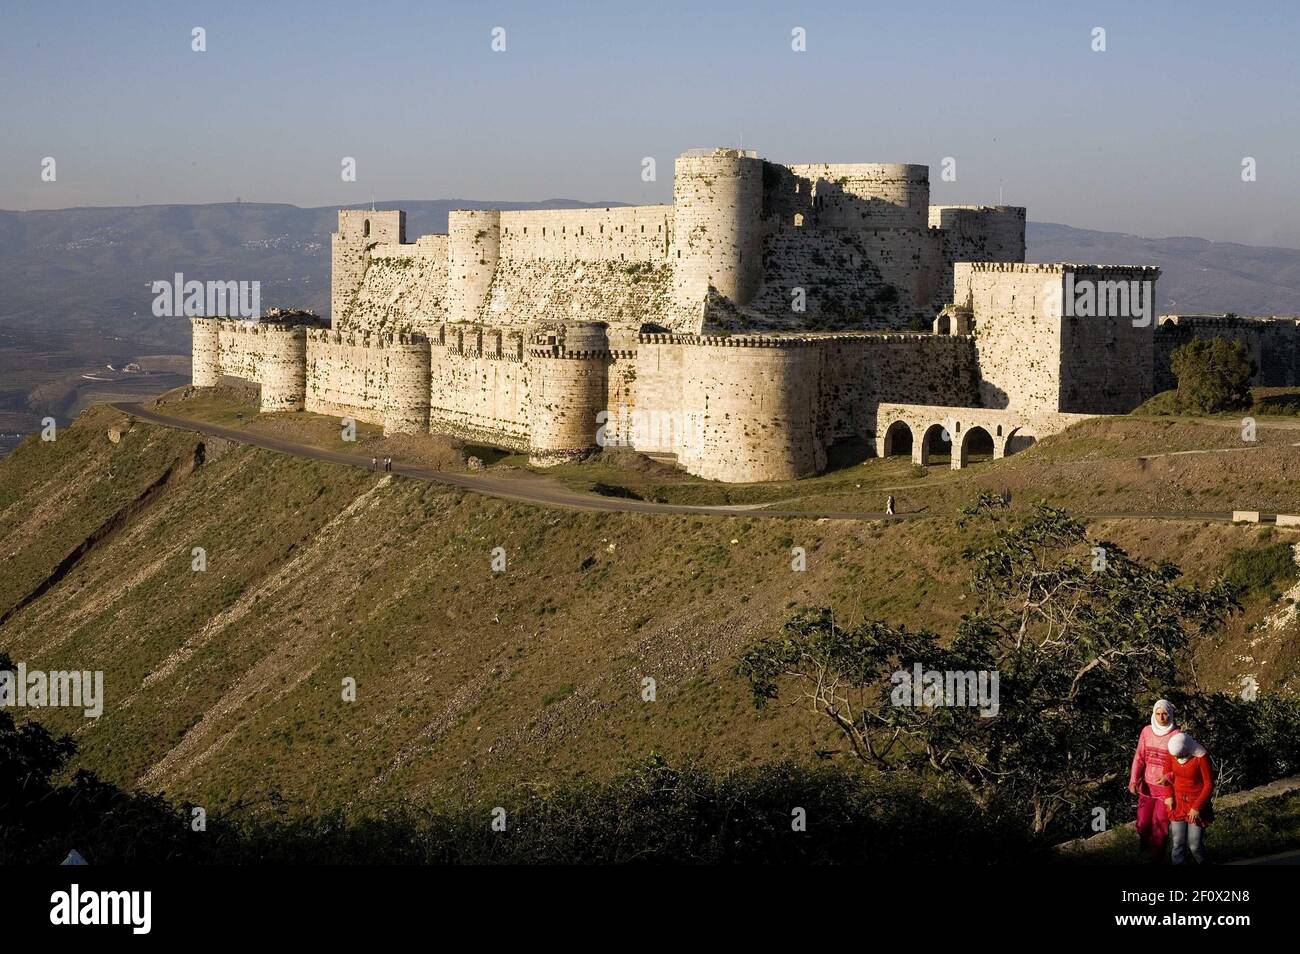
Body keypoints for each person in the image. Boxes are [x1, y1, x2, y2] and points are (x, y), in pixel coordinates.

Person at [1129, 699, 1179, 860]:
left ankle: (1156, 858)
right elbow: (1139, 757)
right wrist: (1133, 780)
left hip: (1166, 791)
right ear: (1153, 714)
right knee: (1142, 824)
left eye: (1165, 713)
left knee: (1161, 827)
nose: (1161, 717)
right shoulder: (1146, 731)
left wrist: (1169, 777)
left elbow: (1180, 765)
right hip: (1147, 788)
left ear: (1170, 714)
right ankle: (1145, 849)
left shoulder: (1176, 735)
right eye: (1158, 713)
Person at [1160, 731, 1214, 865]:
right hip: (1178, 803)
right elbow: (1167, 775)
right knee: (1178, 844)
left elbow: (1208, 784)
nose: (1177, 757)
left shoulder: (1200, 757)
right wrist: (1168, 795)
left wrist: (1197, 807)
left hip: (1196, 803)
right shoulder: (1172, 753)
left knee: (1195, 846)